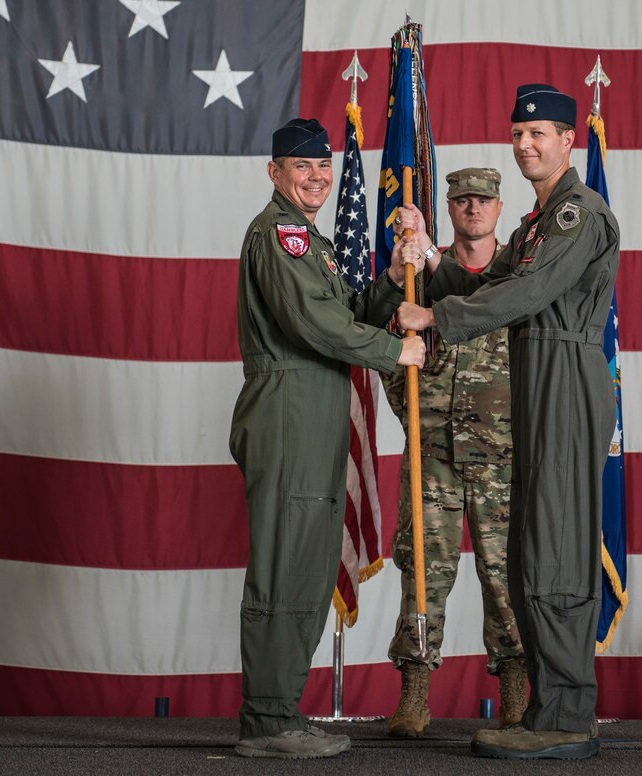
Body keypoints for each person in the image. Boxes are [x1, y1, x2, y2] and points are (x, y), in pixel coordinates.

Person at [393, 84, 619, 760]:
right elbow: (491, 286)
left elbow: (528, 291)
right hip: (534, 375)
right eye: (518, 133)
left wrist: (435, 316)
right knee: (531, 555)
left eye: (539, 133)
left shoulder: (576, 213)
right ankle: (547, 708)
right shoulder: (533, 224)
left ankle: (567, 717)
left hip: (564, 376)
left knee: (556, 548)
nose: (525, 144)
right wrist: (431, 258)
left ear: (568, 140)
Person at [229, 117, 426, 759]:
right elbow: (315, 324)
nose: (316, 177)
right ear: (275, 172)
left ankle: (280, 711)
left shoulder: (311, 240)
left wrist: (392, 281)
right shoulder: (280, 234)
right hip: (288, 409)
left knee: (309, 568)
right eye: (301, 166)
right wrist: (396, 352)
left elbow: (344, 311)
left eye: (323, 167)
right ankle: (267, 722)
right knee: (285, 566)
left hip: (312, 409)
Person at [383, 167, 526, 737]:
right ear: (449, 208)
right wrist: (417, 421)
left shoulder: (517, 277)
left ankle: (516, 693)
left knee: (505, 577)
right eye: (463, 200)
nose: (473, 209)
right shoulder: (418, 281)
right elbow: (393, 358)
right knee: (423, 574)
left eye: (483, 200)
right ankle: (415, 696)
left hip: (501, 458)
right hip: (433, 456)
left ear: (499, 208)